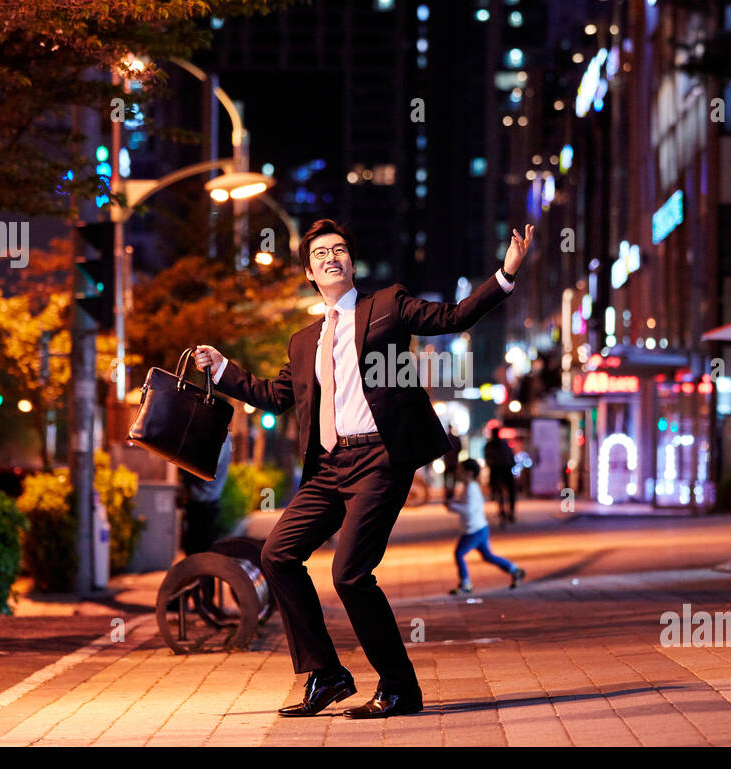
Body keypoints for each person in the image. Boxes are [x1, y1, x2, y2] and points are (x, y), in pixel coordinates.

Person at [193, 217, 534, 719]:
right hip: (328, 466)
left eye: (339, 251)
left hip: (379, 458)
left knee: (350, 574)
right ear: (309, 272)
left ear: (351, 262)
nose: (331, 258)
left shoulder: (386, 306)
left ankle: (399, 688)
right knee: (278, 554)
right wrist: (223, 371)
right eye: (320, 254)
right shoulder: (303, 340)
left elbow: (453, 318)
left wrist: (504, 274)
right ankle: (327, 673)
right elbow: (277, 396)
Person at [444, 458, 525, 595]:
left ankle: (466, 584)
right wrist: (454, 503)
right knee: (487, 556)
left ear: (469, 473)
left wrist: (452, 506)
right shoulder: (470, 487)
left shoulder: (472, 489)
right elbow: (468, 505)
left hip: (473, 531)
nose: (458, 473)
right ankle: (514, 570)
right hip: (479, 529)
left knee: (459, 554)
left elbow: (468, 509)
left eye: (460, 470)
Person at [180, 435, 231, 556]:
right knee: (200, 550)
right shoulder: (223, 436)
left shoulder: (218, 435)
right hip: (207, 499)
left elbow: (208, 465)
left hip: (204, 501)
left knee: (198, 551)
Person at [484, 426, 517, 525]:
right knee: (511, 491)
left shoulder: (489, 445)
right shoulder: (504, 443)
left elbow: (487, 459)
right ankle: (510, 512)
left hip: (496, 470)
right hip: (506, 469)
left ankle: (502, 510)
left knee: (497, 490)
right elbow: (511, 456)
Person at [442, 425, 462, 502]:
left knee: (446, 479)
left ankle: (447, 493)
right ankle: (451, 493)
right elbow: (460, 448)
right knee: (453, 479)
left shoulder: (445, 437)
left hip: (447, 462)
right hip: (454, 462)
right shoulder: (456, 438)